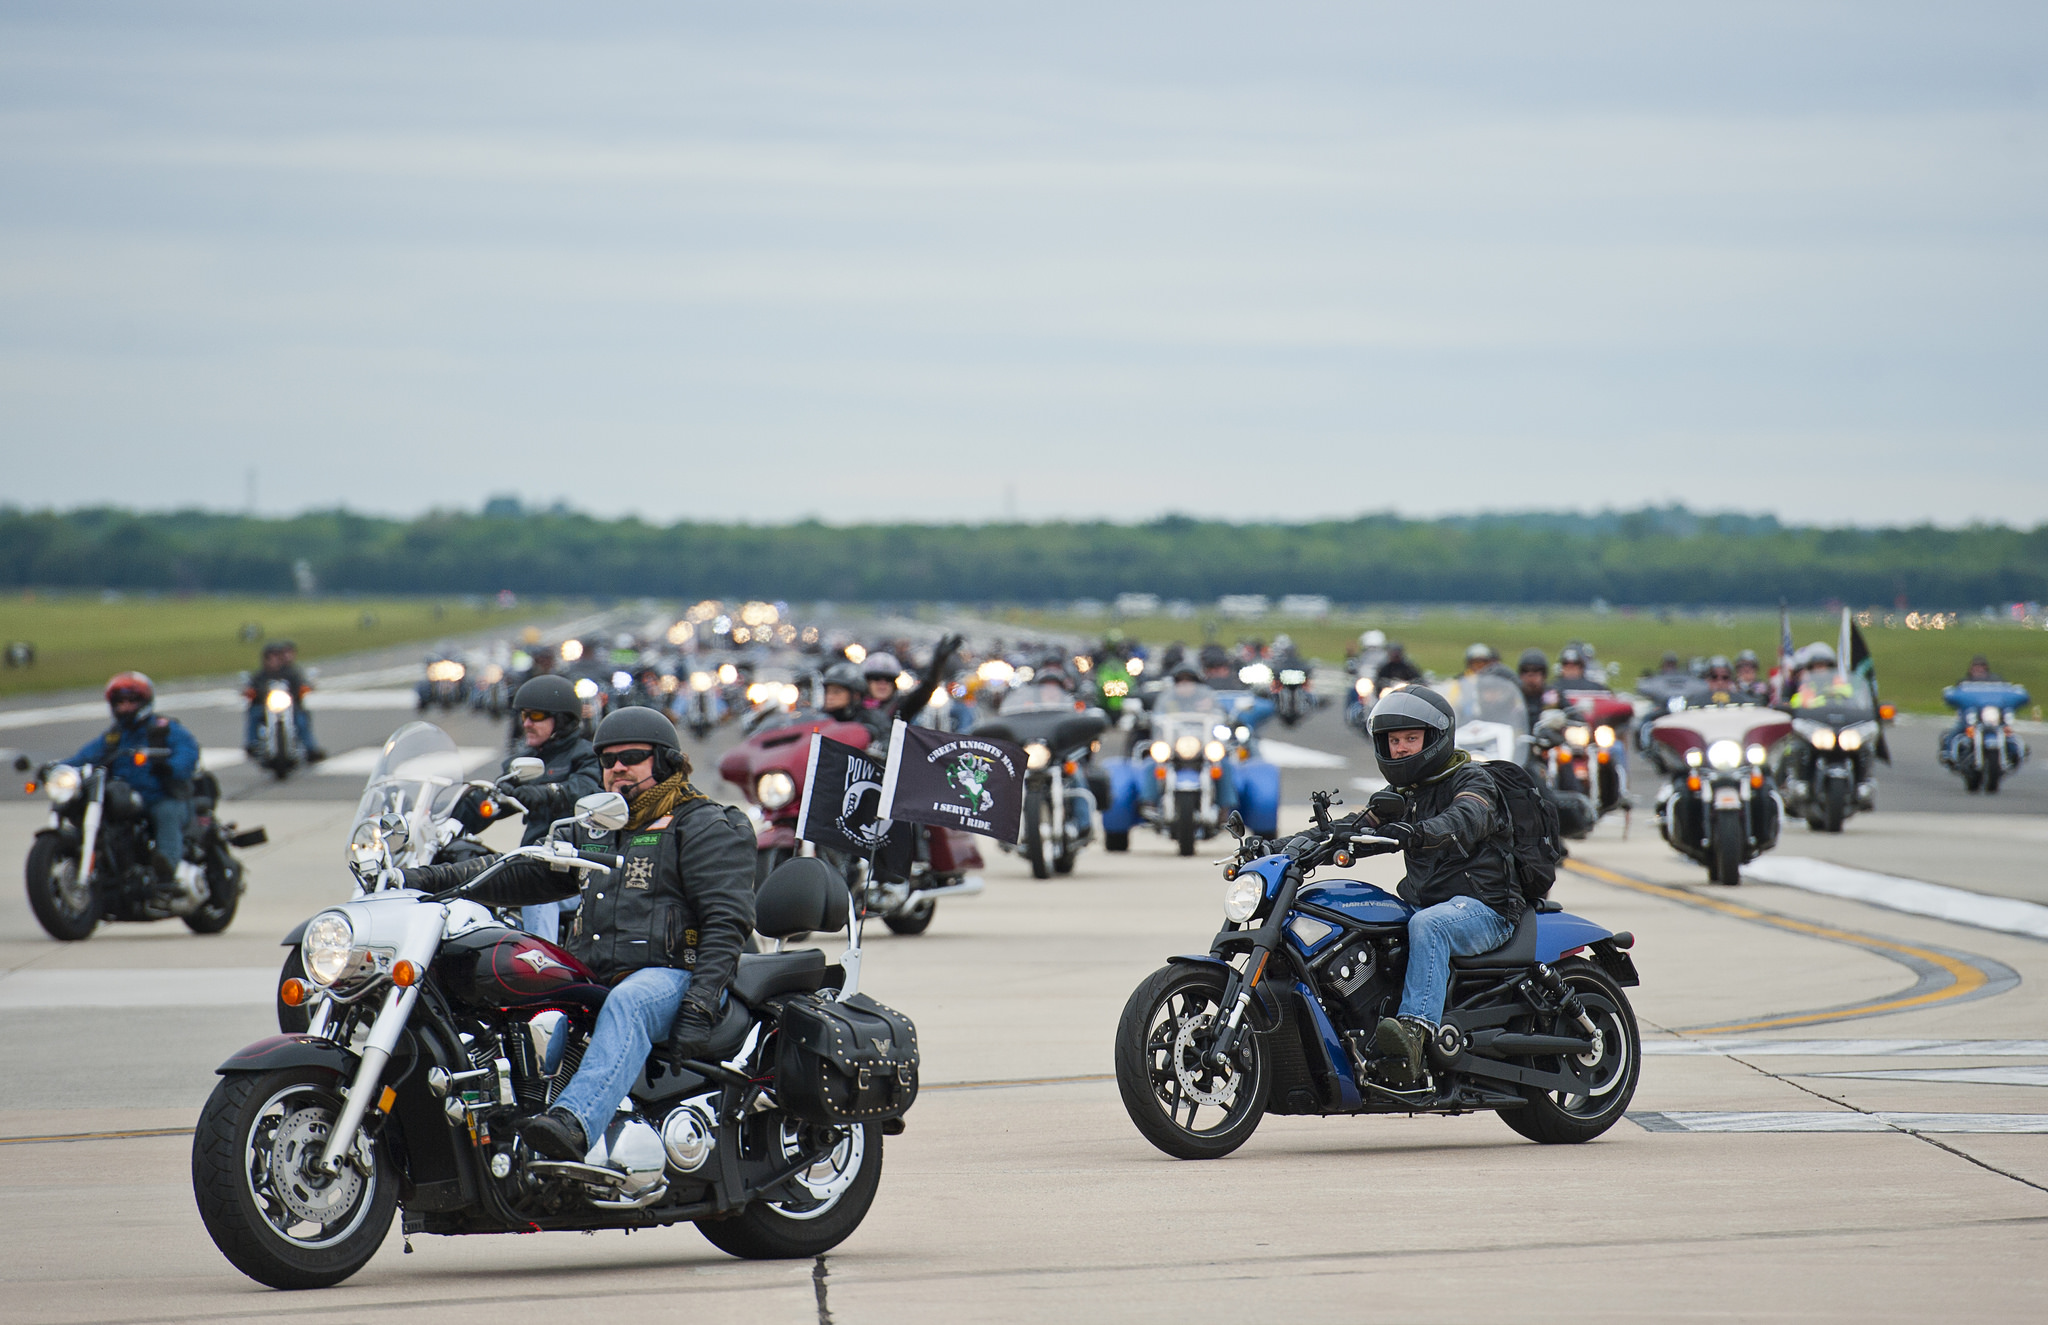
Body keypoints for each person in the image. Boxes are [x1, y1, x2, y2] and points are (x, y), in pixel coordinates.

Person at [400, 706, 755, 1162]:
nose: (616, 768)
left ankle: (573, 1124)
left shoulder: (701, 824)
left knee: (632, 999)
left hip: (673, 978)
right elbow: (518, 871)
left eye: (631, 757)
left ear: (665, 762)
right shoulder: (600, 829)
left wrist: (701, 1001)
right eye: (607, 760)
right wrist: (425, 880)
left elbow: (728, 920)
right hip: (602, 979)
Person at [1357, 686, 1519, 1086]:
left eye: (1411, 739)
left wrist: (1417, 833)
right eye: (1394, 741)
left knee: (1429, 926)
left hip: (1486, 907)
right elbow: (1358, 826)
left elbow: (1466, 817)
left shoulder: (1472, 779)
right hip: (1428, 903)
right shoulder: (1403, 793)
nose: (1400, 748)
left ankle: (1414, 1034)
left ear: (1434, 739)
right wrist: (1284, 847)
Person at [71, 672, 207, 903]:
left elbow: (188, 751)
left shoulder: (164, 729)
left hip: (161, 796)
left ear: (144, 702)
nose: (125, 707)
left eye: (131, 701)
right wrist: (56, 769)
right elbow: (84, 757)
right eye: (120, 702)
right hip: (125, 799)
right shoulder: (114, 736)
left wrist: (170, 767)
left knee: (166, 814)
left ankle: (166, 873)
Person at [501, 674, 603, 941]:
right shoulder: (524, 760)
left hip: (574, 870)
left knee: (537, 894)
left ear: (561, 719)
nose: (526, 724)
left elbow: (584, 789)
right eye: (524, 716)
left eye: (535, 716)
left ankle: (539, 965)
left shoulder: (586, 755)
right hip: (533, 859)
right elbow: (488, 801)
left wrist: (544, 792)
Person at [243, 640, 326, 761]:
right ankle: (252, 744)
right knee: (254, 714)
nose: (274, 660)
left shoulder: (291, 673)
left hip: (290, 707)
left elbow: (301, 685)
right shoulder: (260, 675)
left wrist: (304, 688)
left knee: (301, 720)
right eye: (270, 657)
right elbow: (251, 688)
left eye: (277, 657)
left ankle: (310, 748)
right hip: (266, 707)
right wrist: (250, 692)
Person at [1516, 649, 1550, 726]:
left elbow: (1572, 715)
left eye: (1536, 671)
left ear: (1544, 675)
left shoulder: (1552, 694)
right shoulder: (1515, 694)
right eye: (1525, 671)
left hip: (1546, 735)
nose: (1531, 676)